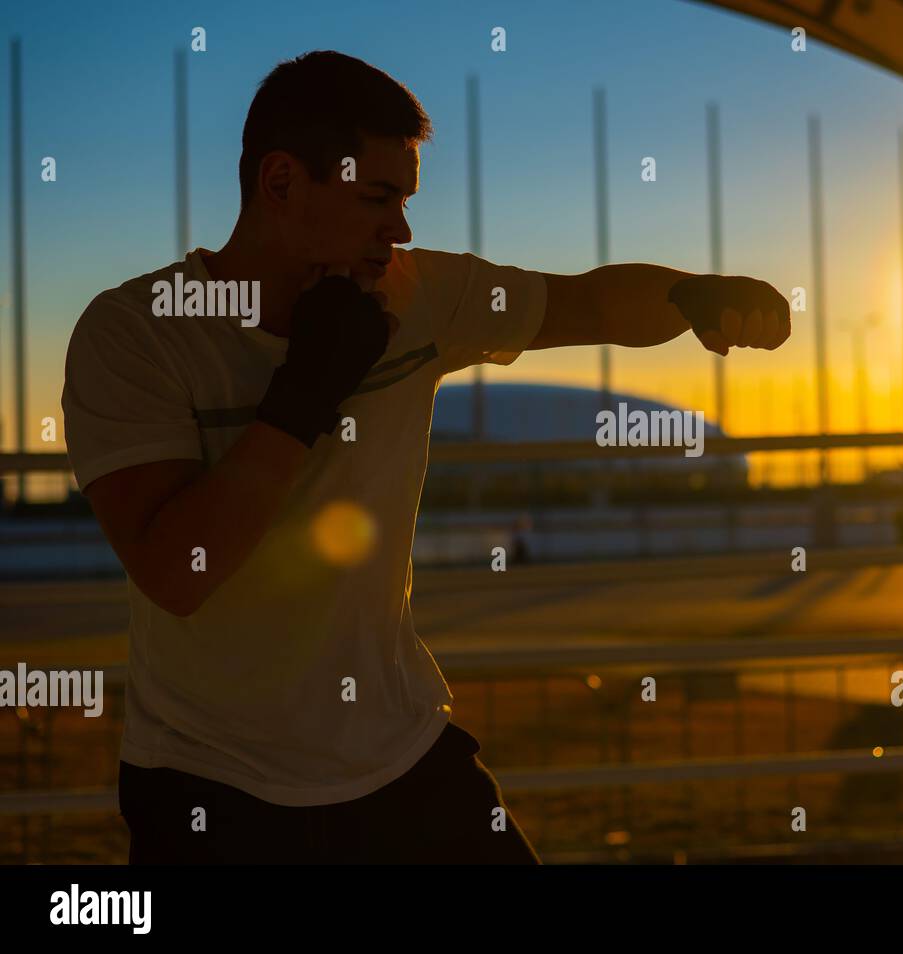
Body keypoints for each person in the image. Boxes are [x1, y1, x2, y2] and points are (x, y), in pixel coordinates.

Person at [60, 50, 791, 864]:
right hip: (211, 787)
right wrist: (303, 396)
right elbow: (178, 572)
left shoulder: (417, 297)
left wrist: (693, 292)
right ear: (280, 183)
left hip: (400, 753)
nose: (400, 229)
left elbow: (585, 300)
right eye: (377, 198)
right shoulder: (135, 332)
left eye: (404, 201)